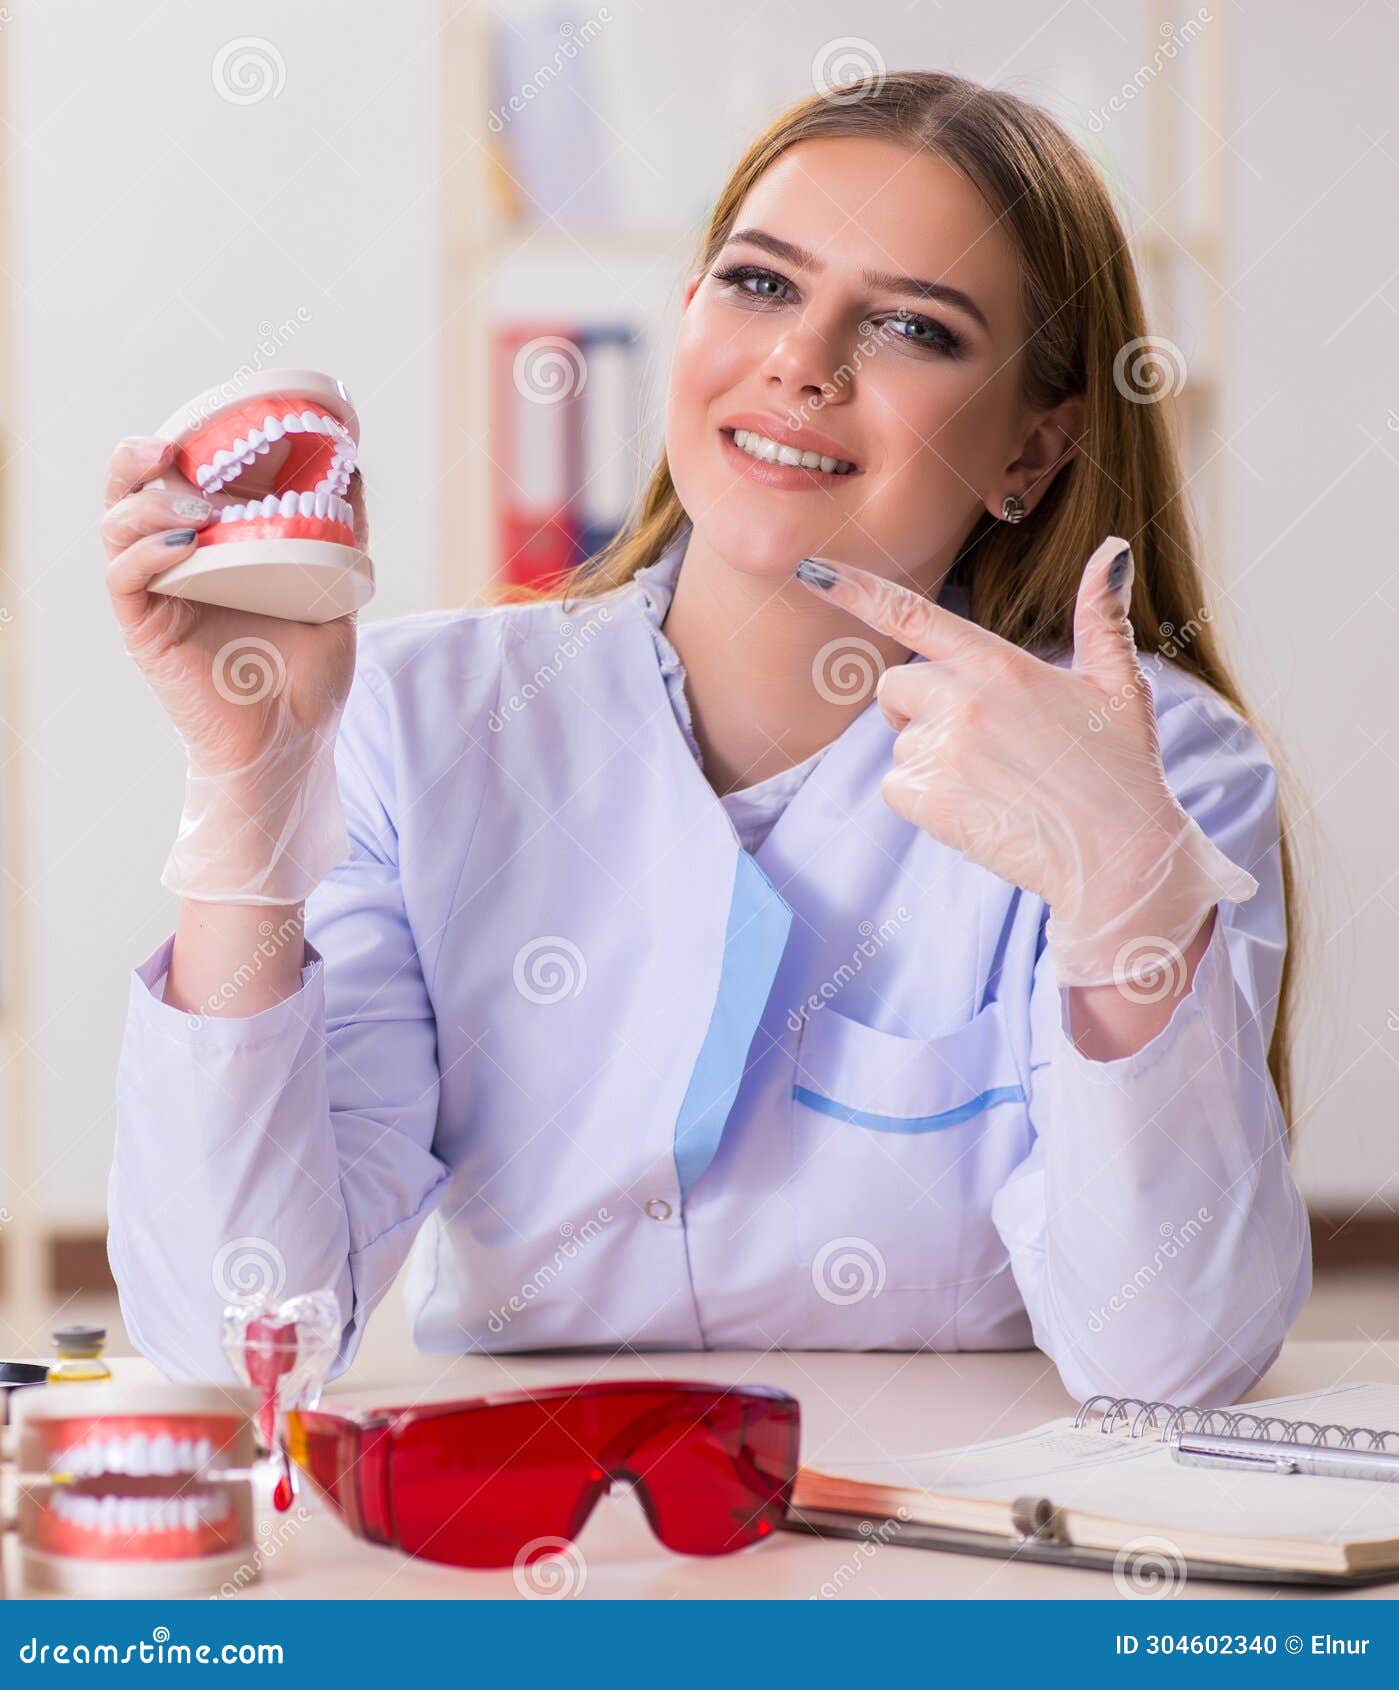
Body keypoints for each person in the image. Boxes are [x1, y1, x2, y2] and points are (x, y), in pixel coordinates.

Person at [102, 71, 1310, 1400]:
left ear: (1036, 447)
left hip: (957, 1563)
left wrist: (1119, 879)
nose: (803, 357)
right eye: (761, 283)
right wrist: (247, 789)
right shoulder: (415, 718)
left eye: (911, 324)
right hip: (542, 1546)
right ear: (686, 319)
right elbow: (236, 1329)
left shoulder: (1156, 774)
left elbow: (1172, 1361)